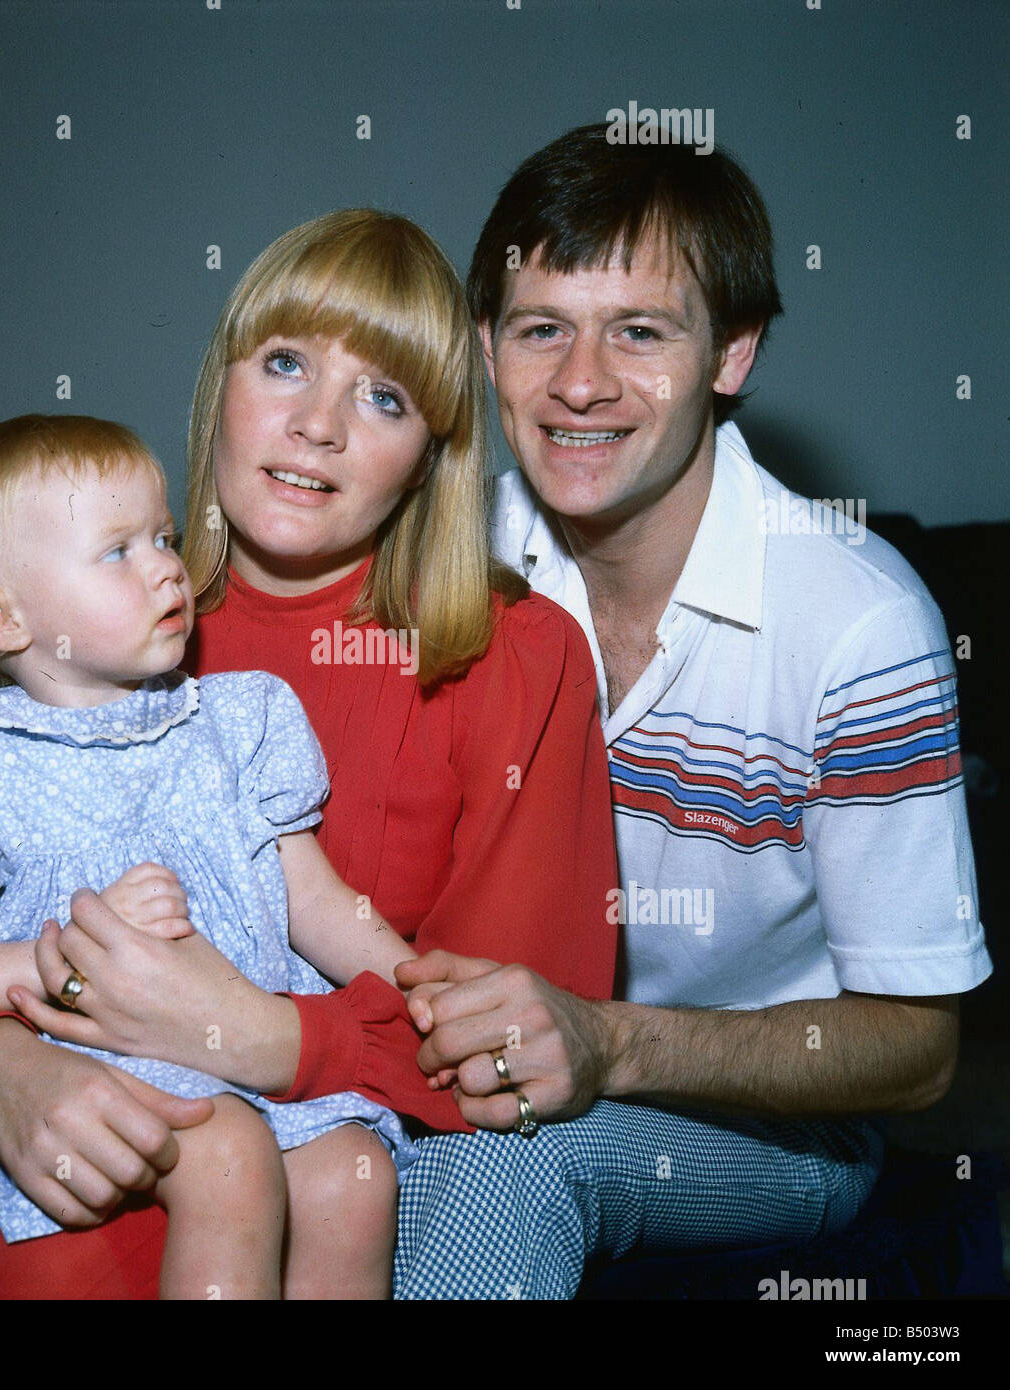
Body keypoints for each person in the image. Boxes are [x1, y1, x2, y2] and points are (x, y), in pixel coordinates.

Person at [0, 210, 617, 1300]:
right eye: (284, 362)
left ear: (432, 449)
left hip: (315, 1134)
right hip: (62, 1088)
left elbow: (512, 1047)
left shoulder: (515, 659)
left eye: (382, 397)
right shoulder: (109, 632)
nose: (316, 426)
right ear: (221, 380)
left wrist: (262, 1035)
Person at [389, 124, 993, 1297]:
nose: (578, 382)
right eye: (539, 328)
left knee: (495, 1162)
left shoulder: (860, 625)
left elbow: (917, 1050)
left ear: (731, 351)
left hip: (770, 1125)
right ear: (483, 347)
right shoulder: (438, 561)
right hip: (471, 1055)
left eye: (639, 332)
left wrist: (608, 1045)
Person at [0, 412, 419, 1298]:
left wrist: (412, 983)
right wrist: (63, 953)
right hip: (99, 1062)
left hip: (253, 1043)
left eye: (162, 536)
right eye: (116, 550)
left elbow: (310, 896)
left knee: (352, 1175)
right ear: (1, 617)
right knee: (225, 1152)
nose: (168, 564)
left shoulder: (238, 723)